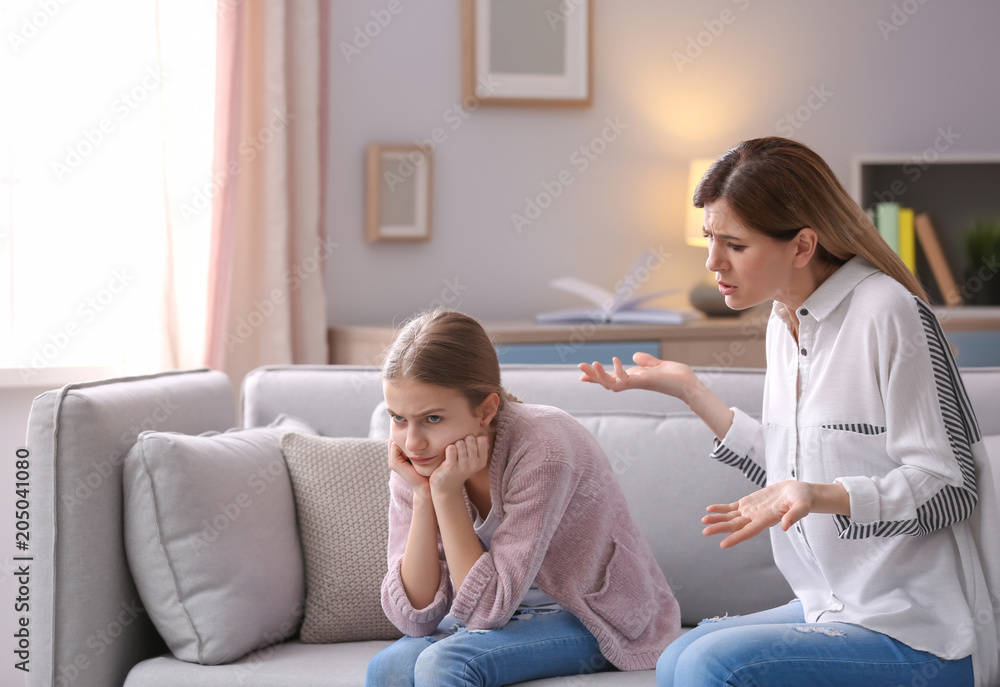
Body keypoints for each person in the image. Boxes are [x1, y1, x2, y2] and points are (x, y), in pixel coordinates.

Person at [580, 137, 999, 687]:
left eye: (733, 243)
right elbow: (790, 471)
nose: (712, 262)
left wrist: (822, 495)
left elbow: (949, 487)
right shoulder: (785, 319)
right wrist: (691, 392)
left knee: (710, 666)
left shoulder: (887, 311)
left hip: (920, 630)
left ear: (802, 245)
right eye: (710, 238)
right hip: (830, 605)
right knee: (680, 653)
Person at [365, 309, 680, 687]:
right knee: (387, 669)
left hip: (588, 615)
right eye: (398, 418)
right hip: (500, 617)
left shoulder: (544, 447)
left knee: (443, 665)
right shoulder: (417, 460)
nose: (412, 441)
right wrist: (422, 494)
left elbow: (486, 612)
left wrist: (446, 495)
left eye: (432, 419)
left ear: (486, 410)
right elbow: (414, 618)